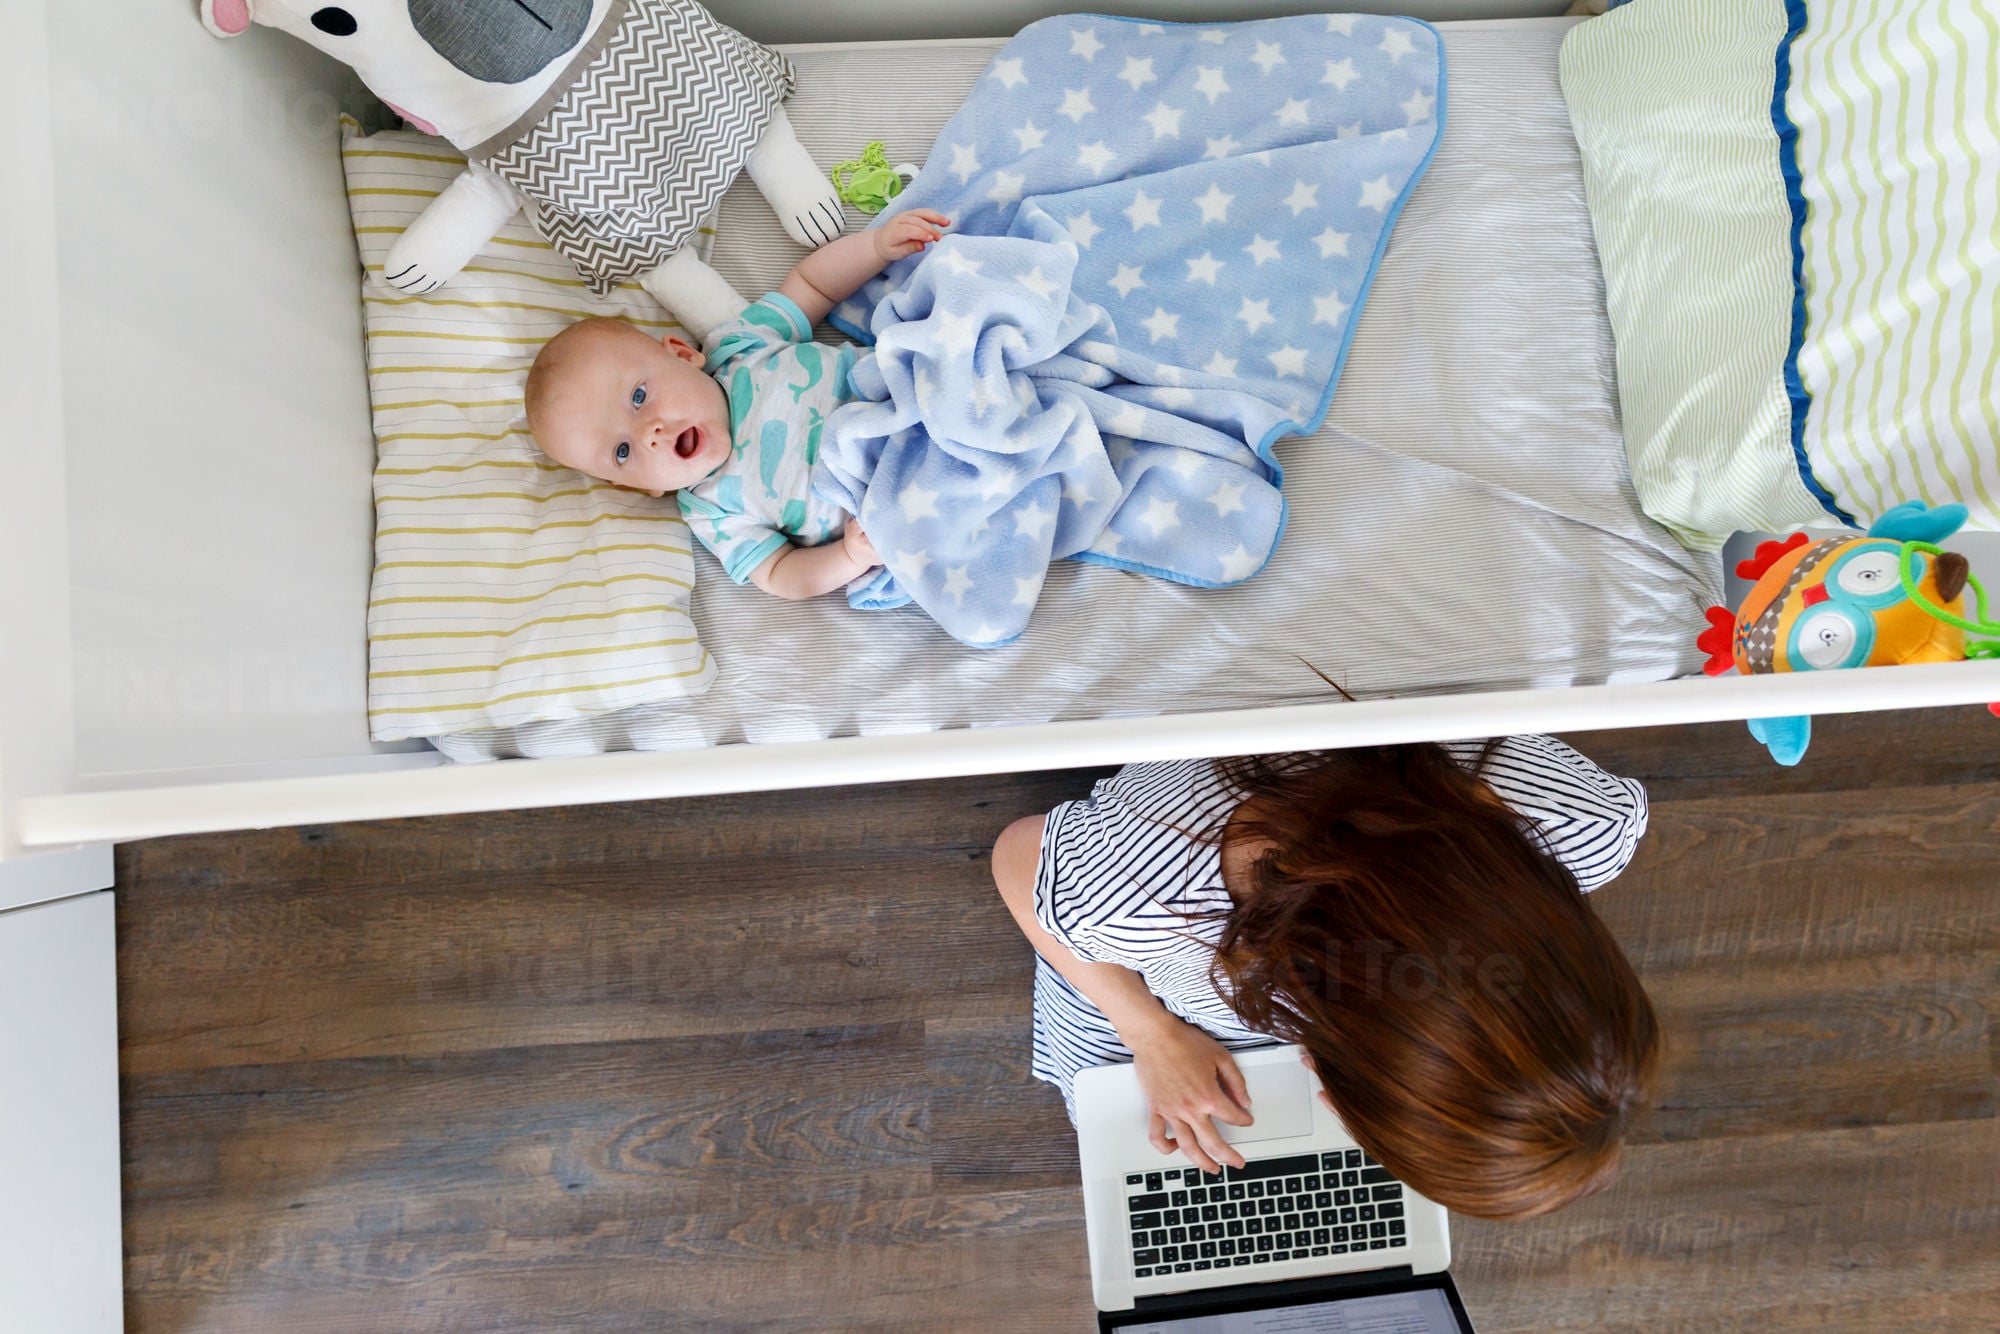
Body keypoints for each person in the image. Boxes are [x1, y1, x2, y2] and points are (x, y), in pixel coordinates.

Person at [989, 736, 1661, 1220]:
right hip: (1161, 977)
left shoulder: (1584, 828)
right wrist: (1151, 1034)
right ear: (1324, 1056)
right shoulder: (1142, 895)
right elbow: (1017, 855)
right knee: (1116, 1112)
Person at [523, 208, 952, 600]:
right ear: (642, 487)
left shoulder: (741, 348)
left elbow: (813, 284)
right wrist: (850, 557)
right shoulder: (711, 510)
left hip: (919, 390)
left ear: (682, 354)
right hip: (908, 499)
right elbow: (781, 574)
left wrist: (875, 247)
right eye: (622, 451)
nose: (648, 434)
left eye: (639, 397)